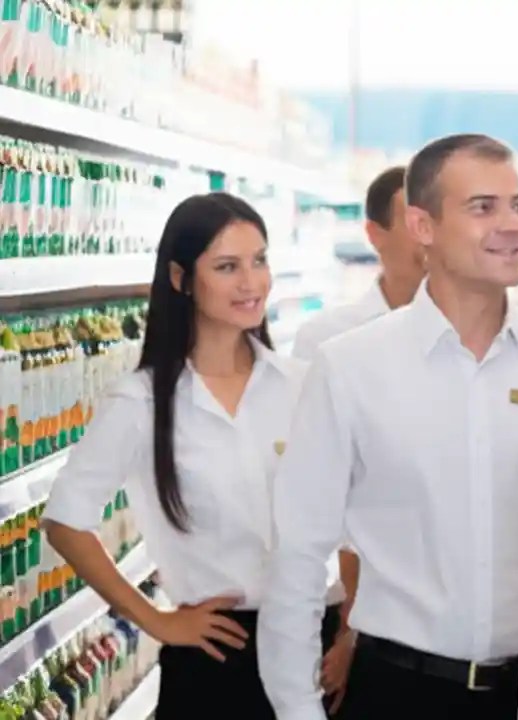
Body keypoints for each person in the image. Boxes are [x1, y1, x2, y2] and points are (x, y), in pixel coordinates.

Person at [258, 133, 518, 720]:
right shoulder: (351, 366)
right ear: (422, 225)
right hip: (397, 692)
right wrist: (299, 710)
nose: (513, 225)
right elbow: (297, 558)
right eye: (483, 207)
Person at [41, 193, 348, 719]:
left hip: (316, 646)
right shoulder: (141, 402)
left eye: (259, 261)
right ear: (181, 279)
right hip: (216, 656)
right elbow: (65, 519)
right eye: (227, 267)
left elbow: (353, 522)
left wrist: (351, 632)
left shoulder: (303, 387)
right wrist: (156, 620)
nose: (251, 283)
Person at [290, 165, 426, 708]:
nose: (427, 235)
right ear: (374, 234)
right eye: (412, 220)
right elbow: (316, 493)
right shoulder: (328, 340)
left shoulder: (483, 342)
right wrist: (351, 626)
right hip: (350, 606)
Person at [291, 165, 425, 360]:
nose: (431, 238)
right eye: (416, 224)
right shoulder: (324, 338)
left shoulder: (472, 336)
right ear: (375, 234)